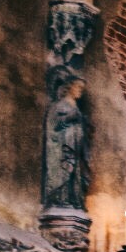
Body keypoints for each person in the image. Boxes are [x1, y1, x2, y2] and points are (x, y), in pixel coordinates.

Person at [42, 71, 90, 209]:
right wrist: (70, 118)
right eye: (78, 88)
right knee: (65, 171)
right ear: (69, 87)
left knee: (75, 173)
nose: (80, 91)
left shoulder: (75, 108)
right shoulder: (60, 105)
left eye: (82, 89)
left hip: (76, 148)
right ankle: (60, 199)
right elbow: (54, 126)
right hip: (64, 148)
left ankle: (73, 199)